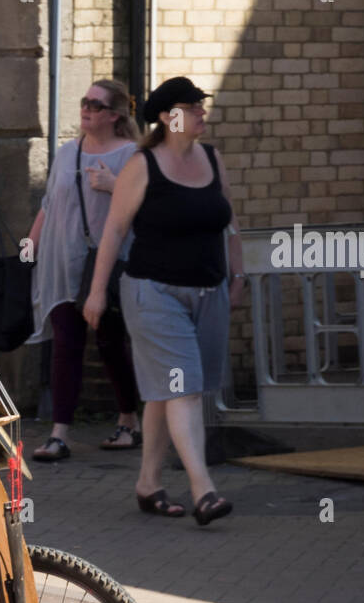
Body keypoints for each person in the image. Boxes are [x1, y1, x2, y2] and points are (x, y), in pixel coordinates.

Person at [83, 76, 246, 525]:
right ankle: (203, 489)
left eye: (200, 106)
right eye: (192, 106)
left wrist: (239, 274)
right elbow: (114, 230)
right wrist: (97, 292)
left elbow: (228, 221)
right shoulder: (142, 165)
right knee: (184, 389)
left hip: (208, 291)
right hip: (153, 293)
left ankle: (148, 483)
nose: (201, 113)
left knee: (165, 393)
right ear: (166, 115)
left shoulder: (213, 159)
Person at [29, 78, 142, 461]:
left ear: (114, 115)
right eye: (84, 102)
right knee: (66, 345)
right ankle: (60, 433)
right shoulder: (66, 153)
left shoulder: (130, 156)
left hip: (104, 269)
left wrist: (114, 186)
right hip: (62, 263)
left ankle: (128, 418)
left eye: (95, 105)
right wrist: (30, 245)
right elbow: (49, 203)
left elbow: (149, 208)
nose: (86, 109)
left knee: (111, 344)